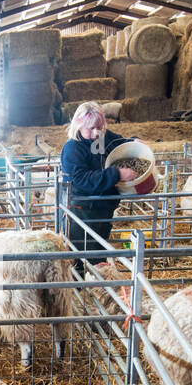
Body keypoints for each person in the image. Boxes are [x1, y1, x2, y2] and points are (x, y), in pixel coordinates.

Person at [59, 102, 138, 267]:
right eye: (91, 128)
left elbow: (117, 143)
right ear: (79, 125)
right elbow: (82, 179)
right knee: (81, 255)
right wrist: (117, 174)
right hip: (83, 210)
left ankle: (95, 288)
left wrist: (133, 142)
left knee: (100, 253)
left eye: (99, 127)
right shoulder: (73, 148)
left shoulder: (99, 139)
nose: (96, 133)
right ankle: (78, 289)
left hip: (103, 208)